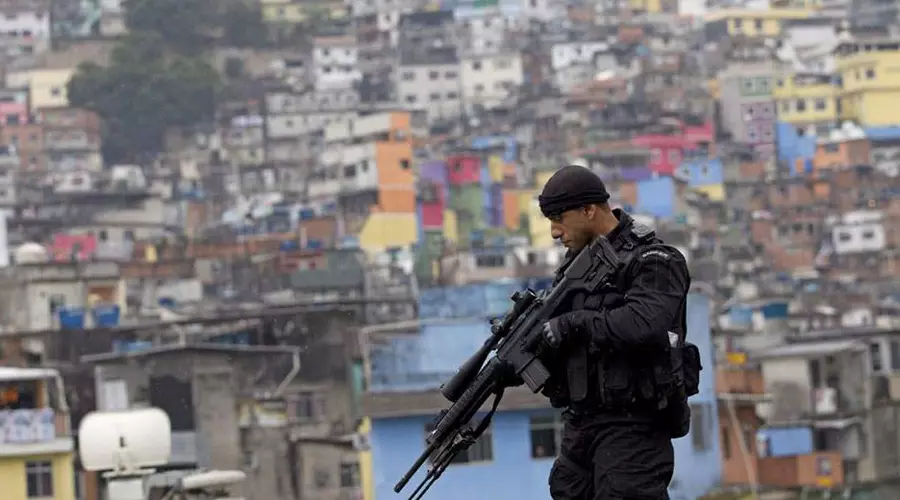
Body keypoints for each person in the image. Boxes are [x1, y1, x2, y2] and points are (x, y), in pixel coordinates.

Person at [536, 165, 697, 500]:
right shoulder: (572, 272)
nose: (554, 231)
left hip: (634, 426)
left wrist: (574, 323)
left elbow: (644, 322)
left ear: (589, 210)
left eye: (559, 218)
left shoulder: (652, 259)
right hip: (582, 426)